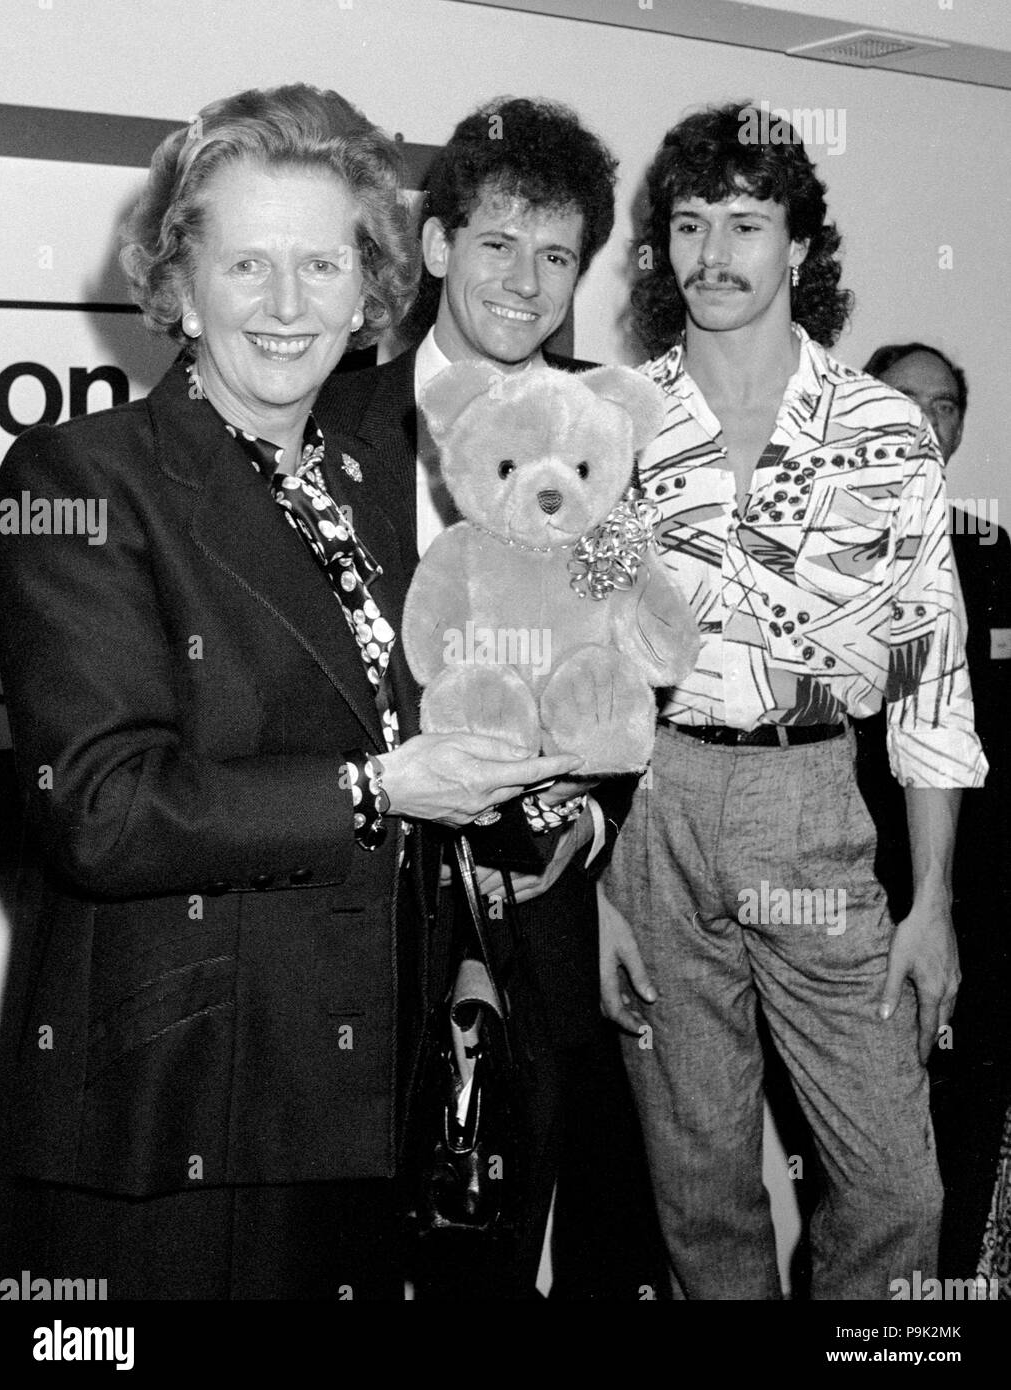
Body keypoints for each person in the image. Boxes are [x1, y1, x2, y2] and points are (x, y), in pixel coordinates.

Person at [0, 83, 579, 1302]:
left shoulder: (362, 484)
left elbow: (405, 724)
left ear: (369, 289)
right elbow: (100, 806)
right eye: (245, 263)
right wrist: (376, 791)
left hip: (360, 1094)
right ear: (177, 282)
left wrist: (524, 800)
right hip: (185, 1095)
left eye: (321, 263)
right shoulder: (82, 477)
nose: (287, 303)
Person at [597, 102, 986, 1300]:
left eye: (746, 223)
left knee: (892, 1183)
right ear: (660, 246)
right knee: (697, 1184)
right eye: (689, 222)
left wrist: (929, 905)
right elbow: (587, 662)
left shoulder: (882, 432)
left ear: (799, 247)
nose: (713, 252)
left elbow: (929, 678)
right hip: (648, 801)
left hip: (814, 802)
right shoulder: (604, 424)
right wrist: (601, 884)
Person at [320, 95, 669, 1300]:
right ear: (432, 246)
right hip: (351, 913)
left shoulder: (601, 447)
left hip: (536, 916)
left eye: (557, 255)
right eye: (497, 244)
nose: (527, 283)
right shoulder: (327, 425)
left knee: (496, 1244)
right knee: (343, 1253)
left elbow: (628, 652)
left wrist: (588, 817)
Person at [858, 343, 1011, 1280]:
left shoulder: (994, 556)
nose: (922, 419)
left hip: (973, 911)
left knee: (953, 1169)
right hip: (829, 904)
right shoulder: (809, 555)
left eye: (942, 404)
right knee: (861, 1181)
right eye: (899, 400)